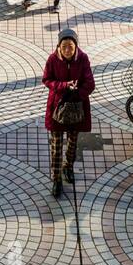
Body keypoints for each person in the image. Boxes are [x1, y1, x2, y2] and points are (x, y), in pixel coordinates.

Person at [42, 29, 95, 198]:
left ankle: (68, 167)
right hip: (57, 108)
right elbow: (47, 80)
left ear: (76, 46)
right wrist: (63, 86)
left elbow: (90, 84)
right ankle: (56, 179)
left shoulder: (83, 59)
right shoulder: (52, 59)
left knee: (72, 142)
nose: (67, 50)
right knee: (56, 147)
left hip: (76, 108)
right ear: (58, 46)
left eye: (70, 46)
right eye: (64, 46)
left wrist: (78, 93)